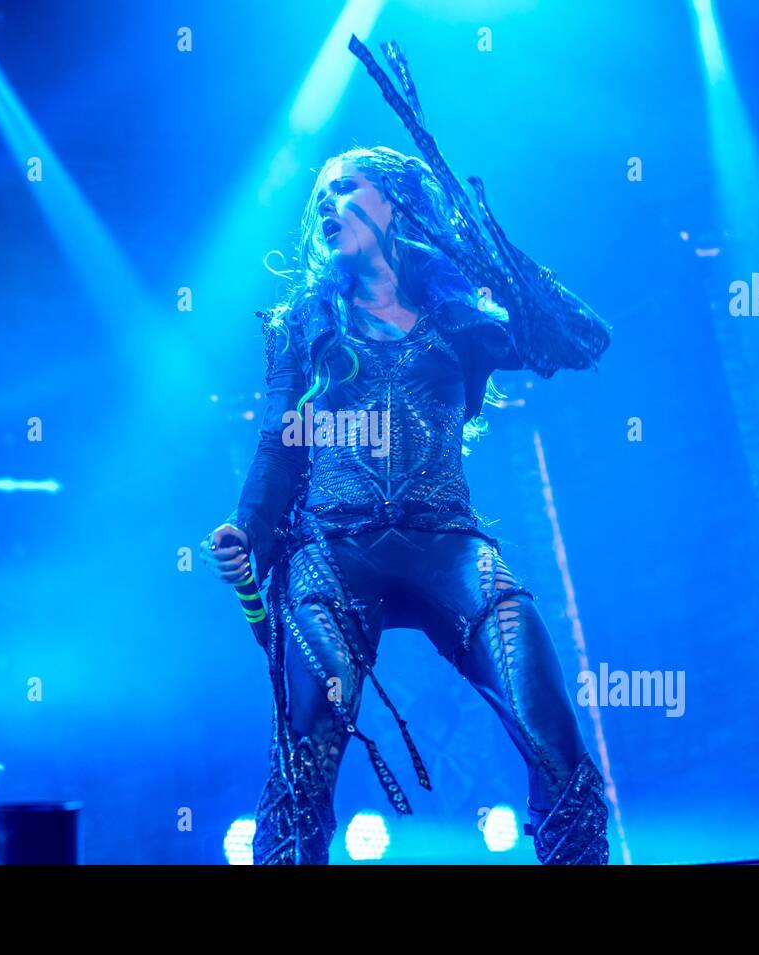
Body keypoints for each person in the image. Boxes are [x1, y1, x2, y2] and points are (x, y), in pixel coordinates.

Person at [202, 145, 611, 864]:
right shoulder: (299, 324)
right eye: (319, 196)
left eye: (347, 189)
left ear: (395, 204)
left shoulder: (462, 317)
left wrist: (482, 241)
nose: (327, 204)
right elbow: (277, 445)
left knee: (546, 721)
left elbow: (580, 339)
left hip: (449, 543)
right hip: (333, 547)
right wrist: (250, 530)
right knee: (311, 734)